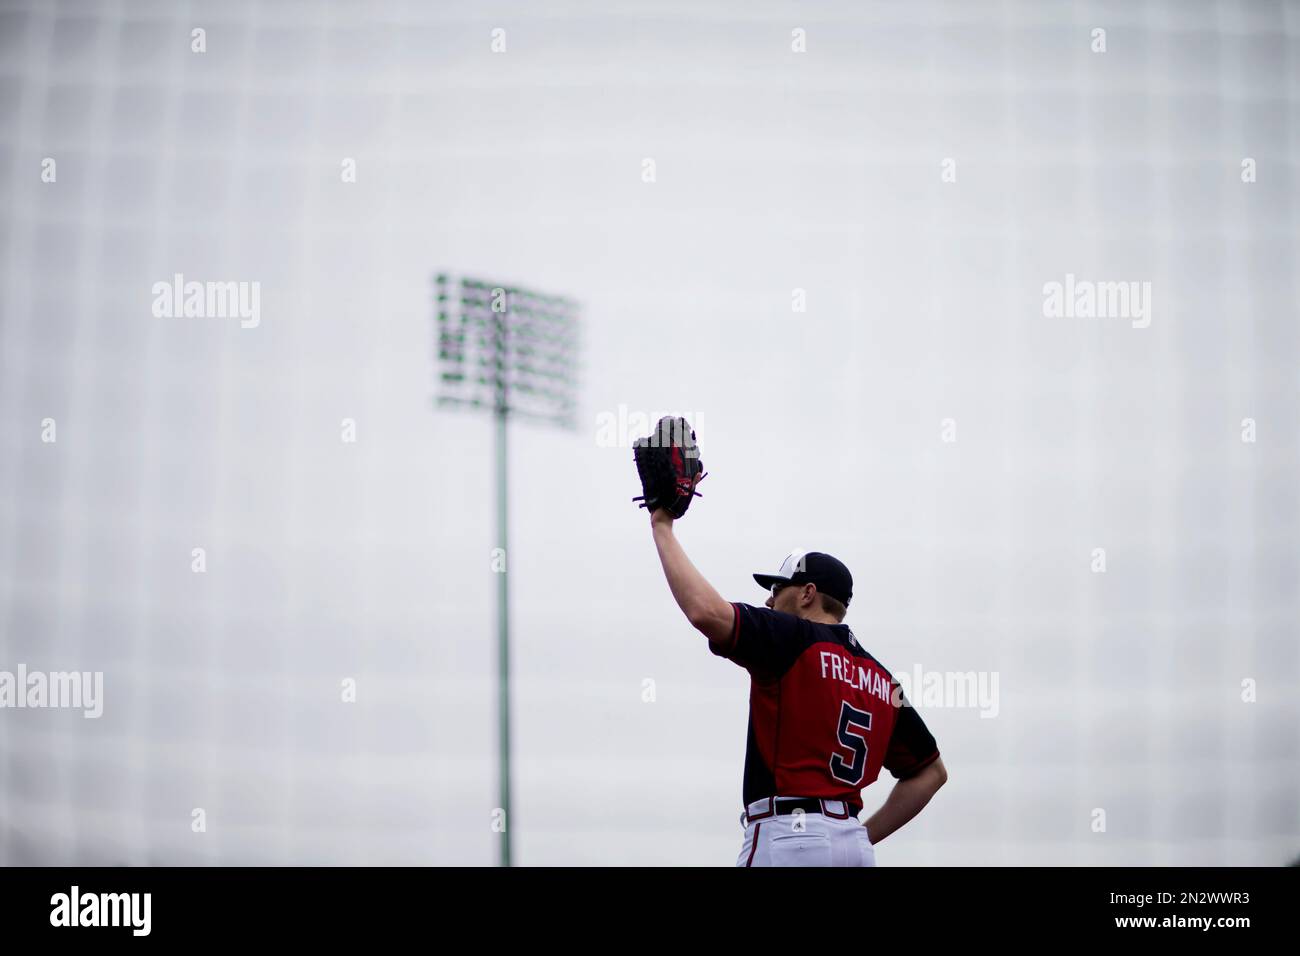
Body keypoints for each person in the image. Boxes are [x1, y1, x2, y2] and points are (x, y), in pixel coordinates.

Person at [648, 508, 948, 866]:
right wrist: (856, 838)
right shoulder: (883, 679)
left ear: (807, 593)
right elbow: (931, 773)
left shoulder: (792, 637)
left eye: (777, 589)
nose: (770, 601)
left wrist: (661, 526)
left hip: (789, 837)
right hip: (852, 848)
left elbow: (705, 612)